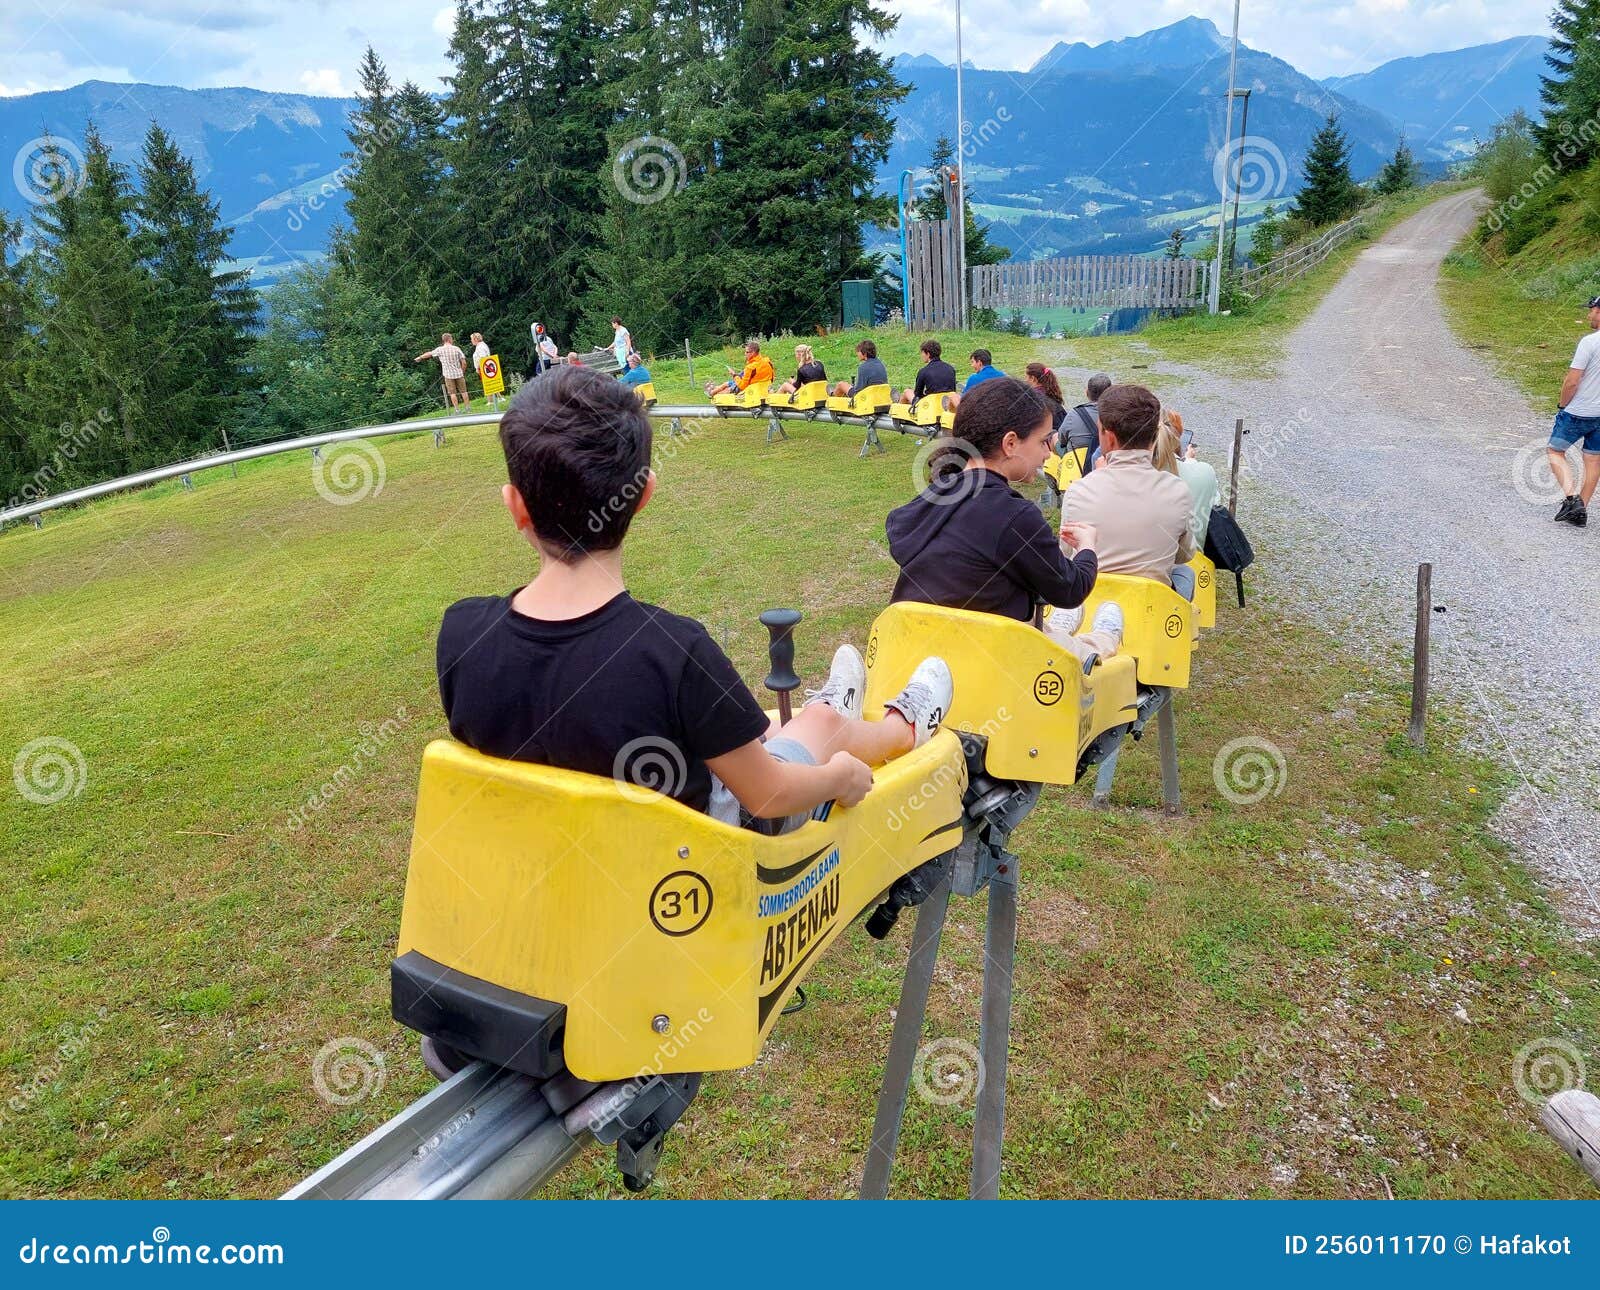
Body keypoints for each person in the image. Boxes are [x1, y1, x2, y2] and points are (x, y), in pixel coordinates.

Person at [435, 365, 954, 848]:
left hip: (560, 869)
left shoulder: (460, 634)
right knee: (820, 730)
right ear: (643, 495)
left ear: (515, 506)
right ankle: (901, 728)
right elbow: (768, 796)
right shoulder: (674, 652)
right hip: (699, 858)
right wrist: (839, 777)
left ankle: (829, 711)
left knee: (769, 727)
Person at [886, 376, 1123, 666]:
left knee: (1048, 630)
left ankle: (1062, 628)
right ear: (1010, 443)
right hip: (993, 663)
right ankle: (1104, 638)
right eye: (1044, 440)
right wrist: (1087, 548)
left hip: (917, 652)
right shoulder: (1017, 516)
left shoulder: (933, 495)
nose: (1049, 452)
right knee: (1080, 651)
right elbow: (1070, 589)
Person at [1061, 383, 1196, 595]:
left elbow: (1068, 553)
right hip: (1151, 604)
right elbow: (1184, 555)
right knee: (1185, 573)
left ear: (1109, 437)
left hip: (1092, 601)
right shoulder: (1177, 490)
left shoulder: (1079, 491)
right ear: (1154, 435)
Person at [1550, 294, 1600, 527]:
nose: (1589, 314)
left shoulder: (1589, 342)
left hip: (1579, 410)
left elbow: (1572, 381)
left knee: (1554, 451)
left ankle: (1572, 499)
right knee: (1593, 460)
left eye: (1591, 310)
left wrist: (1563, 405)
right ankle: (1582, 510)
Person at [415, 332, 471, 412]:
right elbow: (464, 362)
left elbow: (429, 354)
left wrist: (420, 357)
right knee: (464, 391)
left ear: (443, 340)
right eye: (451, 338)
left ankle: (457, 410)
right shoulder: (456, 348)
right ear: (449, 339)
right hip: (459, 374)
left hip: (448, 375)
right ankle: (468, 408)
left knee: (452, 393)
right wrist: (462, 371)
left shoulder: (440, 350)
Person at [705, 340, 776, 398]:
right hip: (762, 386)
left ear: (753, 353)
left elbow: (741, 386)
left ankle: (712, 394)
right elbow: (772, 377)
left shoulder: (750, 367)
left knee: (728, 388)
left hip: (750, 388)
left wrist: (734, 375)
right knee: (726, 383)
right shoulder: (767, 361)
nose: (745, 354)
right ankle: (712, 391)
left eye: (747, 352)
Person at [897, 339, 958, 405]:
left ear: (928, 354)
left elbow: (917, 395)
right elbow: (953, 390)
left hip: (930, 405)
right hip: (946, 403)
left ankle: (896, 411)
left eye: (922, 353)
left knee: (907, 391)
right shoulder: (950, 368)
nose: (921, 355)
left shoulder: (923, 371)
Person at [1075, 374, 1112, 474]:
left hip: (1078, 463)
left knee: (1055, 437)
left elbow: (1062, 438)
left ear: (1087, 393)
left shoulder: (1074, 414)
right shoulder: (1115, 414)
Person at [470, 332, 502, 410]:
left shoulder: (480, 347)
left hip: (484, 367)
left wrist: (478, 367)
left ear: (475, 339)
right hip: (486, 366)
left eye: (471, 339)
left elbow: (482, 357)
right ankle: (499, 398)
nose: (471, 341)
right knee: (490, 383)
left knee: (487, 383)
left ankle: (490, 401)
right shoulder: (481, 345)